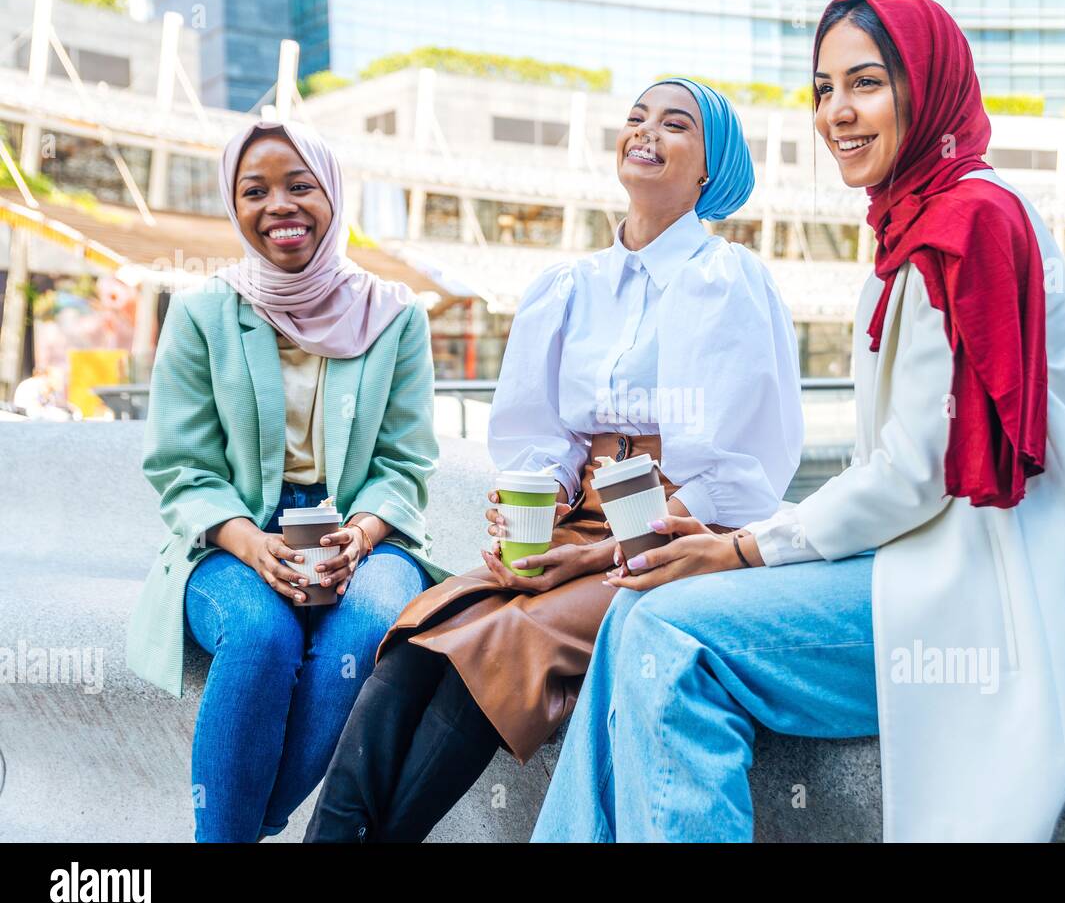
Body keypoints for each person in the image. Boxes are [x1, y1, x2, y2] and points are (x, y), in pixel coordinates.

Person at [531, 0, 1065, 843]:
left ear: (926, 86)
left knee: (668, 636)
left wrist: (746, 545)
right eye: (823, 89)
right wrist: (749, 544)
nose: (837, 113)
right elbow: (900, 472)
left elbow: (916, 471)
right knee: (633, 615)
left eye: (865, 83)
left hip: (990, 598)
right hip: (926, 567)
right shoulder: (919, 220)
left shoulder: (969, 225)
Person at [304, 78, 804, 842]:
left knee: (504, 646)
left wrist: (599, 552)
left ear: (710, 170)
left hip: (675, 534)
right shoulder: (571, 287)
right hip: (575, 522)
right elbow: (544, 440)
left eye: (676, 125)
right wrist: (524, 512)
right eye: (636, 117)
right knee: (417, 640)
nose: (646, 131)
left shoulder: (728, 280)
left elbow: (742, 469)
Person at [127, 119, 448, 842]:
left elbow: (405, 463)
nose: (280, 205)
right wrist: (248, 541)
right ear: (233, 204)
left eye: (301, 186)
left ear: (333, 194)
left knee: (370, 628)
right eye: (255, 190)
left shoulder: (393, 316)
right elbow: (181, 464)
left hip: (364, 533)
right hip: (229, 536)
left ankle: (242, 823)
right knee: (260, 632)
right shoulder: (205, 311)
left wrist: (360, 535)